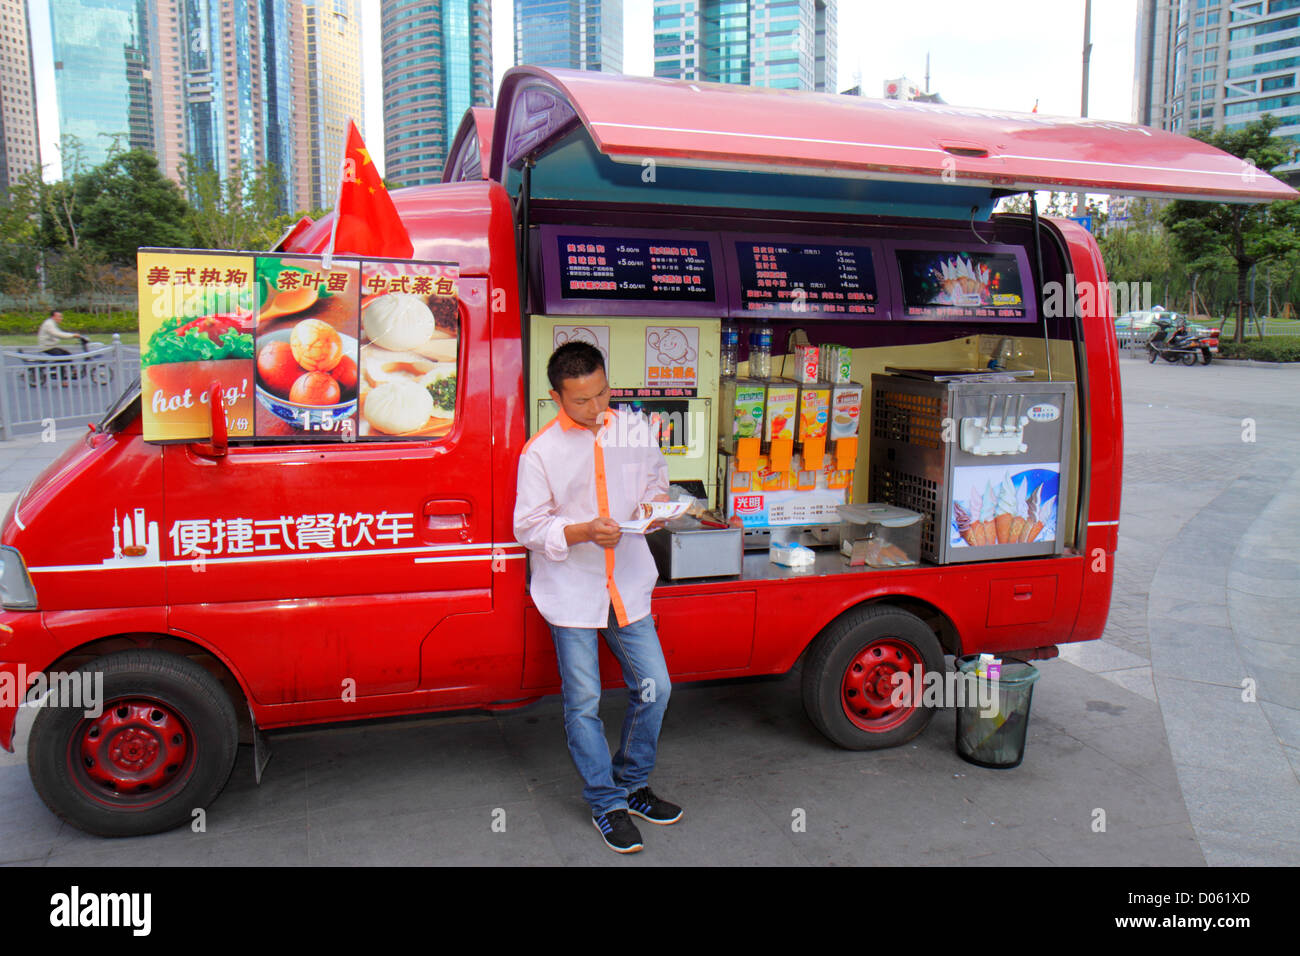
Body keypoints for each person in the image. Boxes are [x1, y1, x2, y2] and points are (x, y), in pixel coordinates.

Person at [513, 342, 682, 854]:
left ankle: (633, 784)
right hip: (572, 592)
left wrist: (655, 507)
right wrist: (585, 529)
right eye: (582, 400)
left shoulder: (632, 430)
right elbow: (528, 527)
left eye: (603, 393)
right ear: (556, 396)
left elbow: (656, 481)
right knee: (583, 703)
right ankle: (606, 803)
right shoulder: (539, 452)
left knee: (656, 686)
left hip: (627, 582)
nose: (595, 408)